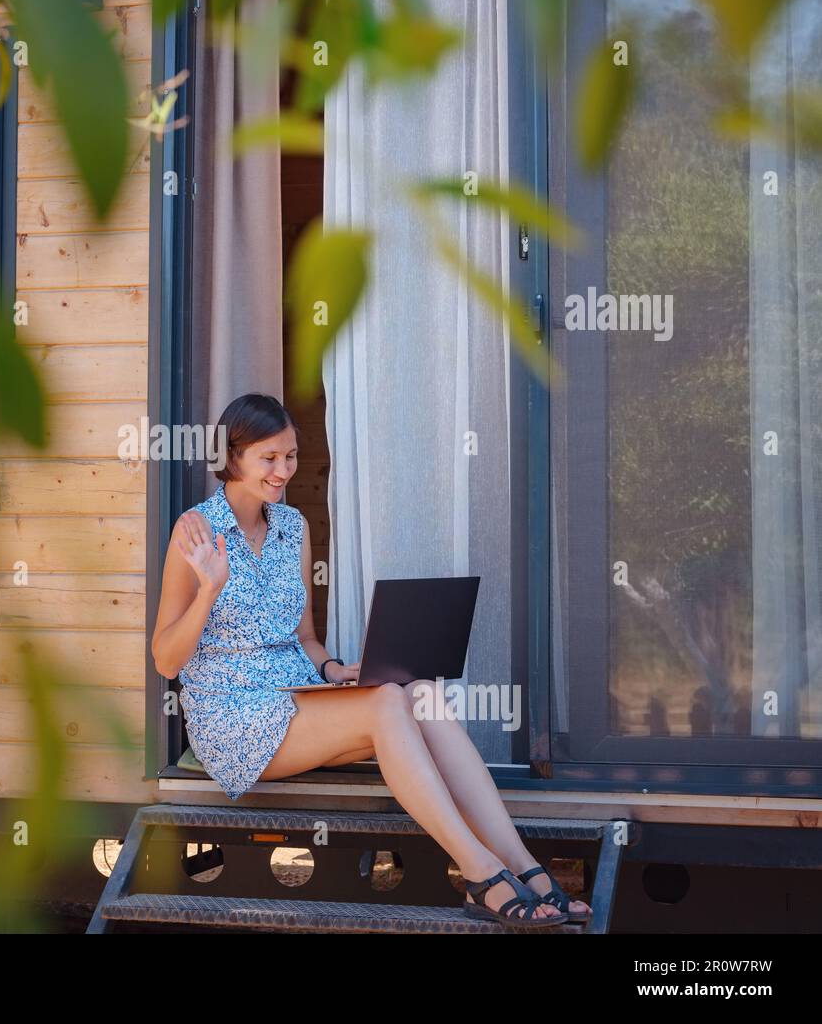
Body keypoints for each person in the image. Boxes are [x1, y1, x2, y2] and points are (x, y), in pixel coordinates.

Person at [150, 392, 592, 928]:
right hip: (233, 716)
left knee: (421, 692)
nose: (283, 470)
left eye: (290, 456)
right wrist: (208, 591)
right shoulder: (195, 531)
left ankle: (524, 866)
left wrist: (335, 670)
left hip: (299, 698)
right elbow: (166, 660)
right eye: (269, 458)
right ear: (234, 456)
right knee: (387, 703)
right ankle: (480, 873)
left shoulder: (292, 527)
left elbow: (305, 638)